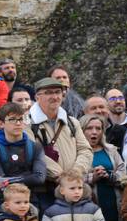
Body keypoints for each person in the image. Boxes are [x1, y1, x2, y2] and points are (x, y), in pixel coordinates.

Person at [27, 76, 92, 213]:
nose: (55, 96)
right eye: (49, 93)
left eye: (57, 92)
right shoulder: (27, 123)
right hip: (45, 191)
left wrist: (76, 172)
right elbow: (33, 154)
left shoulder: (72, 122)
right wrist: (61, 176)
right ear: (37, 96)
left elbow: (85, 149)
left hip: (75, 188)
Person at [0, 103, 47, 216]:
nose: (18, 123)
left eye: (20, 119)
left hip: (29, 203)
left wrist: (7, 180)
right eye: (12, 119)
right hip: (4, 205)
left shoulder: (35, 147)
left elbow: (39, 178)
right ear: (1, 123)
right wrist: (28, 176)